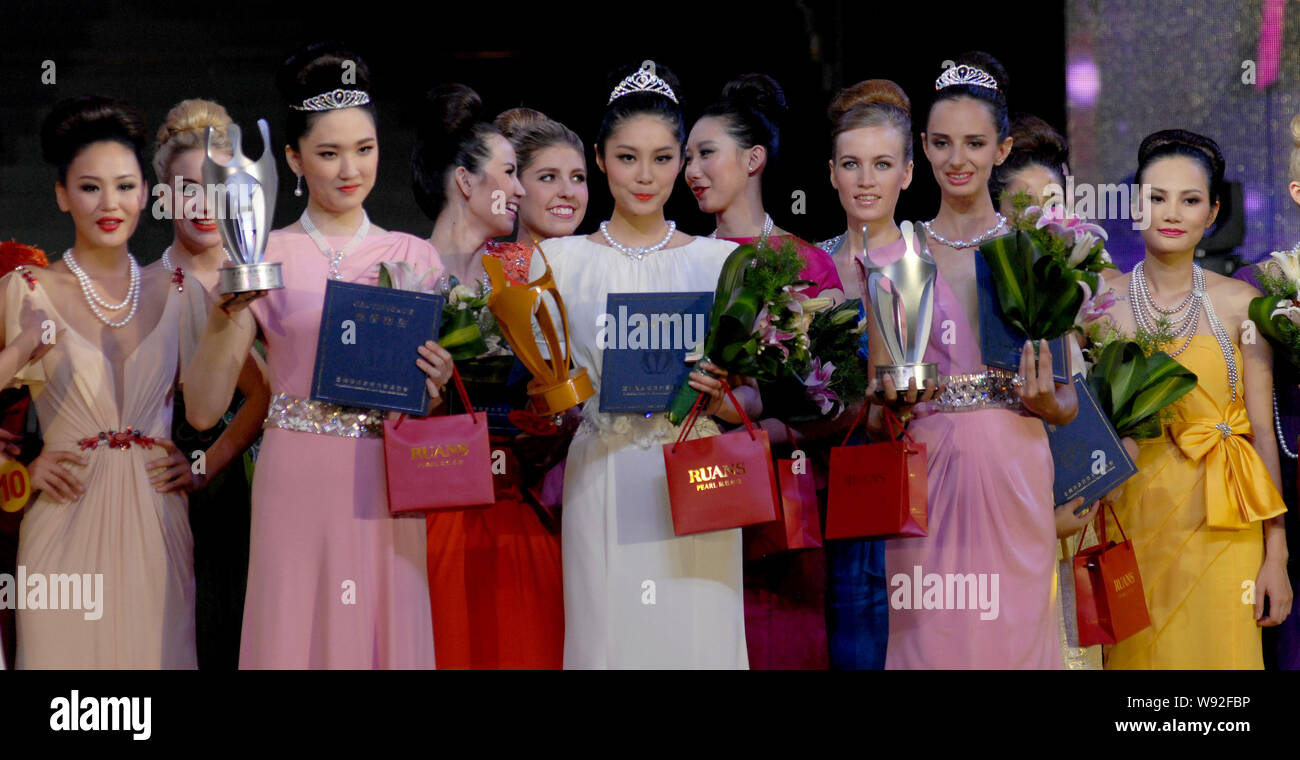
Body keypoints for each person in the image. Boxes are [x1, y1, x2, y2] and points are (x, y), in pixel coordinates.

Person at [182, 43, 453, 669]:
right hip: (295, 476)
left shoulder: (415, 257)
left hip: (386, 477)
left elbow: (427, 399)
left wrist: (432, 386)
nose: (349, 168)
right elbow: (202, 410)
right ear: (293, 159)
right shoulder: (261, 255)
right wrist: (229, 313)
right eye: (328, 153)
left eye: (364, 148)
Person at [537, 60, 752, 668]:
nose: (645, 175)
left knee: (697, 640)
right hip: (600, 474)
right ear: (601, 158)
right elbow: (542, 386)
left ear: (682, 161)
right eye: (628, 157)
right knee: (609, 640)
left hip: (697, 478)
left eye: (663, 158)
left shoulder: (717, 264)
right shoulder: (557, 261)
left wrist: (720, 393)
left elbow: (752, 398)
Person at [871, 53, 1078, 669]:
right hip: (925, 478)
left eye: (974, 143)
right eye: (940, 143)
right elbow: (882, 412)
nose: (956, 159)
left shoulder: (1038, 252)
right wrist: (896, 401)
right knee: (929, 643)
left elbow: (1065, 402)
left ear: (1001, 148)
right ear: (922, 151)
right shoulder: (896, 256)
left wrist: (1046, 401)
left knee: (1014, 638)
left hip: (1016, 466)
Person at [5, 95, 210, 668]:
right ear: (62, 196)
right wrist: (17, 470)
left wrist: (202, 466)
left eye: (124, 186)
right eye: (90, 187)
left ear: (146, 193)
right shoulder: (27, 288)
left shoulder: (177, 289)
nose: (110, 203)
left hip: (157, 525)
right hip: (62, 523)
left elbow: (254, 395)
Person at [1100, 129, 1289, 669]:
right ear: (1136, 204)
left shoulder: (1242, 305)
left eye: (1190, 200)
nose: (1172, 213)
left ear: (1212, 213)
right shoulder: (1100, 305)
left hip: (1226, 528)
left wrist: (1277, 552)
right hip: (1130, 522)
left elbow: (1260, 435)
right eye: (1157, 197)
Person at [684, 72, 843, 670]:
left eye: (706, 154)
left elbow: (835, 404)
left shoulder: (806, 262)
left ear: (753, 159)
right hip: (690, 495)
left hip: (780, 511)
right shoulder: (682, 262)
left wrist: (755, 425)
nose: (691, 171)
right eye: (688, 157)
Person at [413, 86, 564, 669]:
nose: (522, 190)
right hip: (435, 514)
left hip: (521, 509)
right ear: (466, 182)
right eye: (509, 173)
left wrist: (553, 418)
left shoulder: (524, 273)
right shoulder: (403, 272)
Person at [151, 97, 270, 669]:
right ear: (162, 195)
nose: (204, 205)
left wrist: (210, 465)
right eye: (189, 189)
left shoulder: (261, 279)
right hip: (163, 495)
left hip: (254, 495)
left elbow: (265, 393)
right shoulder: (143, 286)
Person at [814, 78, 916, 669]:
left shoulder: (927, 266)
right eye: (851, 164)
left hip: (922, 481)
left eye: (882, 164)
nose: (866, 179)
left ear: (907, 171)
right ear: (831, 173)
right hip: (834, 486)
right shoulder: (808, 270)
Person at [496, 107, 589, 246]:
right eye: (548, 177)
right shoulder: (481, 265)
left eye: (577, 178)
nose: (568, 192)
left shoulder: (610, 263)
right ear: (515, 187)